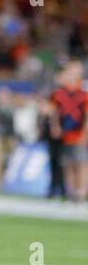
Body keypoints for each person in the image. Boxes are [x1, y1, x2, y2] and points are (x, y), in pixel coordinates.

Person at [50, 61, 88, 202]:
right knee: (68, 163)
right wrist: (55, 126)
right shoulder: (59, 93)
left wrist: (85, 133)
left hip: (79, 134)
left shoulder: (83, 93)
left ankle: (82, 191)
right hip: (65, 134)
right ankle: (70, 190)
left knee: (82, 163)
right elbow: (55, 112)